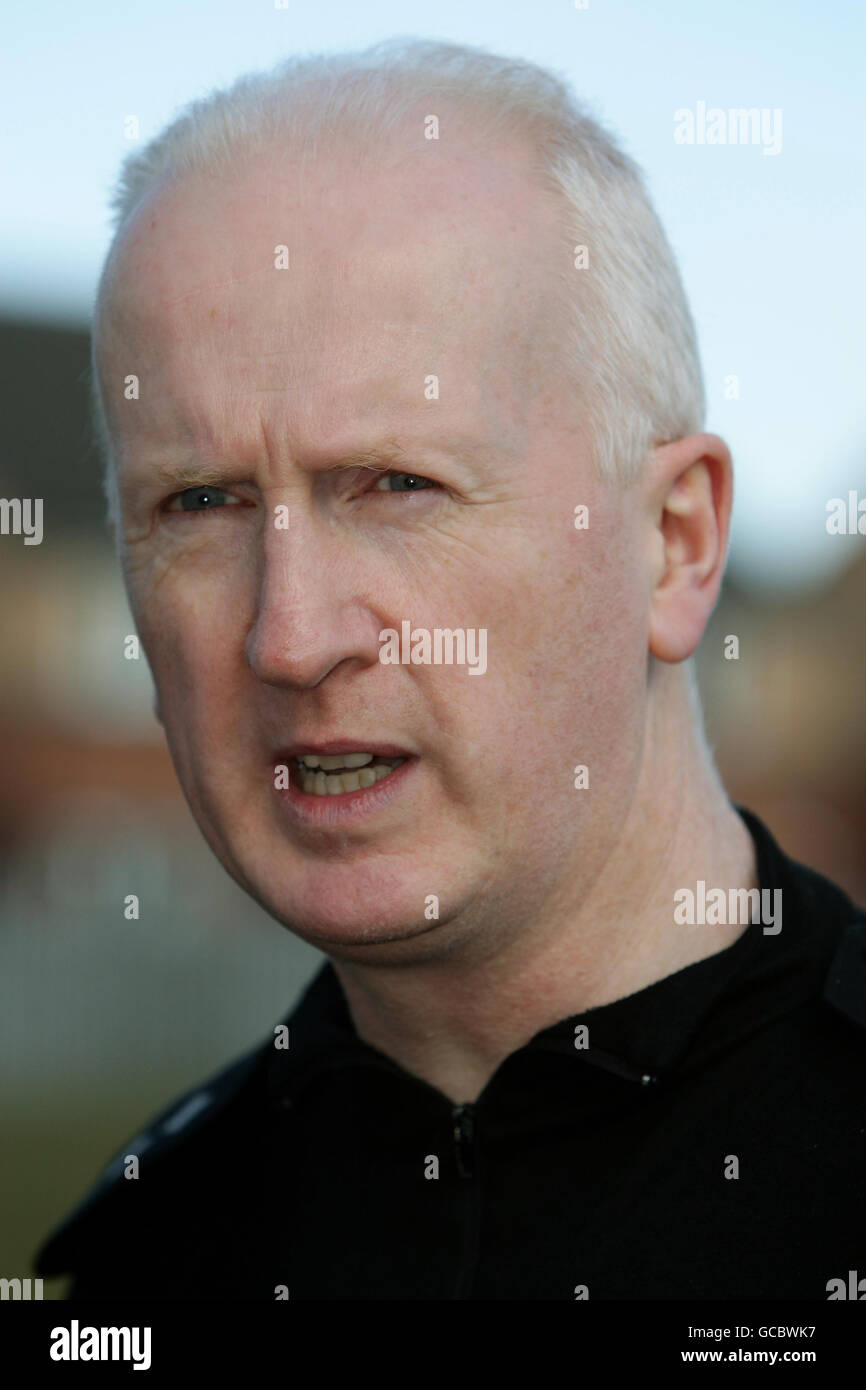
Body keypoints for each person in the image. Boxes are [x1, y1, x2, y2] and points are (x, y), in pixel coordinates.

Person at [35, 37, 866, 1300]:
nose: (291, 635)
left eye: (397, 486)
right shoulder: (137, 1265)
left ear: (672, 543)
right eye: (199, 503)